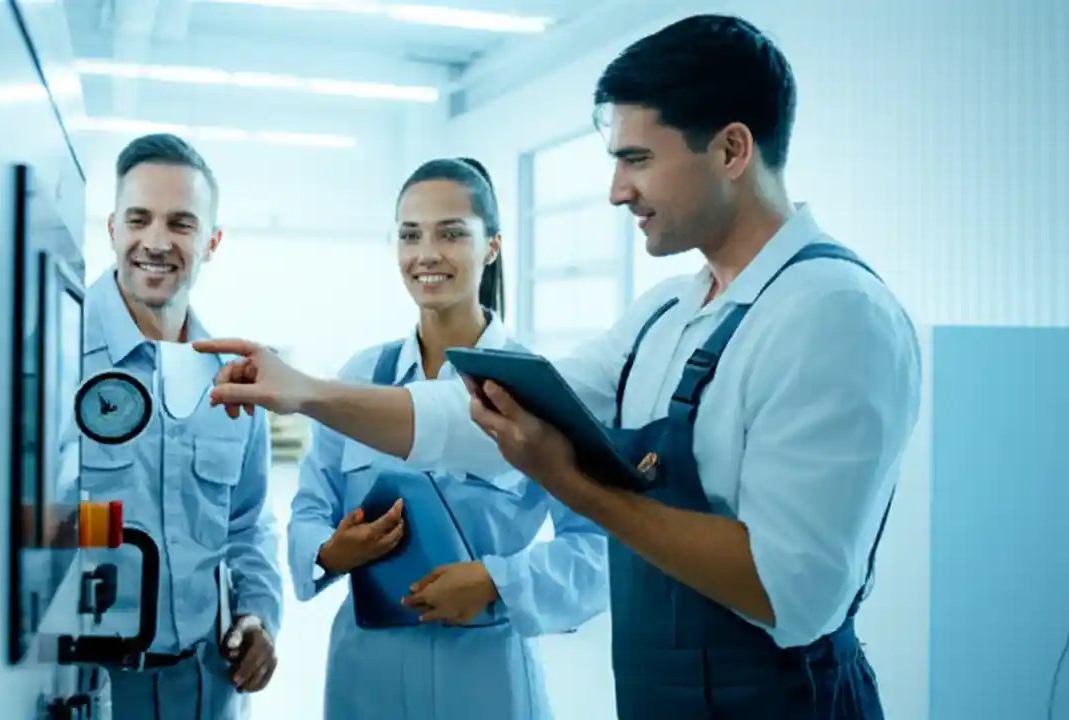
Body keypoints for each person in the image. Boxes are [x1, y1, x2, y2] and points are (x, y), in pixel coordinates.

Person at [196, 14, 921, 720]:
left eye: (636, 159)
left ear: (732, 150)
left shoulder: (832, 313)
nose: (616, 190)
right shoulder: (666, 315)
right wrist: (306, 391)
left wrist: (567, 486)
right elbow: (482, 409)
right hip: (660, 693)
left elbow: (789, 590)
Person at [287, 157, 609, 720]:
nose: (426, 254)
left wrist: (496, 580)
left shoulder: (537, 387)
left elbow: (599, 548)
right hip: (368, 671)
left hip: (485, 674)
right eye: (410, 235)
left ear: (492, 247)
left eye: (452, 233)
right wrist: (328, 552)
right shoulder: (360, 378)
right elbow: (311, 505)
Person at [81, 133, 283, 720]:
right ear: (112, 228)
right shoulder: (50, 355)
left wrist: (258, 614)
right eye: (139, 219)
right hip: (86, 690)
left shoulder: (234, 380)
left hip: (206, 688)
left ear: (212, 241)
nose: (157, 242)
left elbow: (248, 523)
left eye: (182, 223)